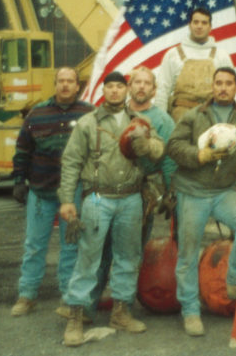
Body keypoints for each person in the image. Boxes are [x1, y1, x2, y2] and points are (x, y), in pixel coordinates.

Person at [167, 67, 236, 337]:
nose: (222, 88)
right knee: (188, 253)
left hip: (223, 191)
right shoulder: (195, 115)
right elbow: (173, 146)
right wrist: (199, 155)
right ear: (212, 86)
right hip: (192, 191)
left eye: (228, 83)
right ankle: (191, 311)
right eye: (218, 83)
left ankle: (234, 283)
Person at [57, 71, 166, 346]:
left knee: (128, 256)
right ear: (103, 90)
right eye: (110, 87)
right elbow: (70, 162)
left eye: (120, 86)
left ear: (126, 90)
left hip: (130, 198)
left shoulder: (140, 123)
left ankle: (121, 312)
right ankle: (76, 317)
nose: (115, 91)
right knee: (88, 258)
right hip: (97, 198)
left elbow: (159, 149)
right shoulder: (87, 124)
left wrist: (149, 145)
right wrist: (67, 200)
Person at [9, 67, 93, 318]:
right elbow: (22, 150)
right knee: (34, 245)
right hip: (40, 190)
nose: (66, 85)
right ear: (55, 84)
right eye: (61, 81)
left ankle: (69, 298)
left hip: (75, 193)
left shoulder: (89, 114)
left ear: (78, 86)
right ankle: (27, 295)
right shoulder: (36, 114)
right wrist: (18, 181)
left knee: (71, 247)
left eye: (70, 81)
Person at [154, 8, 234, 121]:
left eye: (204, 23)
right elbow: (162, 90)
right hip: (181, 118)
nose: (199, 26)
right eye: (195, 22)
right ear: (189, 25)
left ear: (210, 27)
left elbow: (232, 91)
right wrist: (161, 121)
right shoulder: (173, 55)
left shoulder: (221, 55)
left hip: (213, 117)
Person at [127, 66, 178, 239]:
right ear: (129, 87)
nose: (142, 86)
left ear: (154, 90)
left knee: (138, 241)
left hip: (145, 189)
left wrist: (170, 192)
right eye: (137, 82)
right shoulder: (118, 114)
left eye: (147, 83)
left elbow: (169, 159)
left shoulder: (163, 120)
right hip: (117, 188)